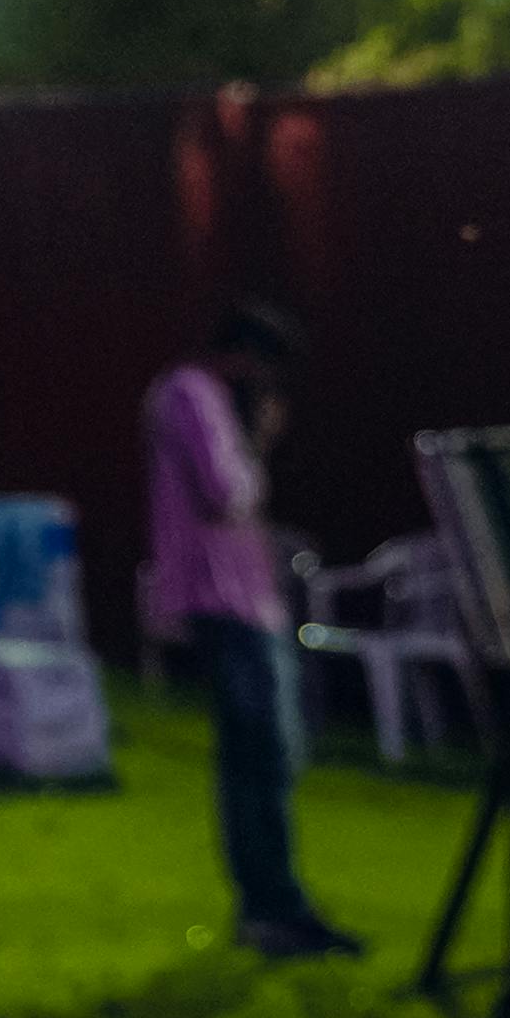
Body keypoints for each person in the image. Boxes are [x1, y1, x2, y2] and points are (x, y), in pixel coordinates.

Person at [143, 302, 356, 960]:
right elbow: (226, 492)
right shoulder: (191, 392)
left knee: (267, 751)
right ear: (241, 355)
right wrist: (257, 440)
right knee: (260, 754)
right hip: (222, 597)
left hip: (246, 596)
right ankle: (273, 906)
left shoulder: (197, 394)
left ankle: (271, 903)